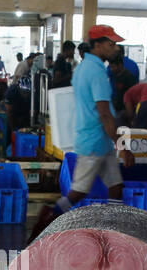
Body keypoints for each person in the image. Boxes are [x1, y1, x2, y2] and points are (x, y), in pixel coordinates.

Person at [31, 24, 132, 239]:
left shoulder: (84, 68)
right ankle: (45, 225)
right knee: (79, 192)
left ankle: (113, 233)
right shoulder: (96, 73)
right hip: (94, 140)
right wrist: (122, 147)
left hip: (99, 138)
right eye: (111, 44)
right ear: (97, 45)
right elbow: (104, 113)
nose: (116, 48)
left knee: (116, 186)